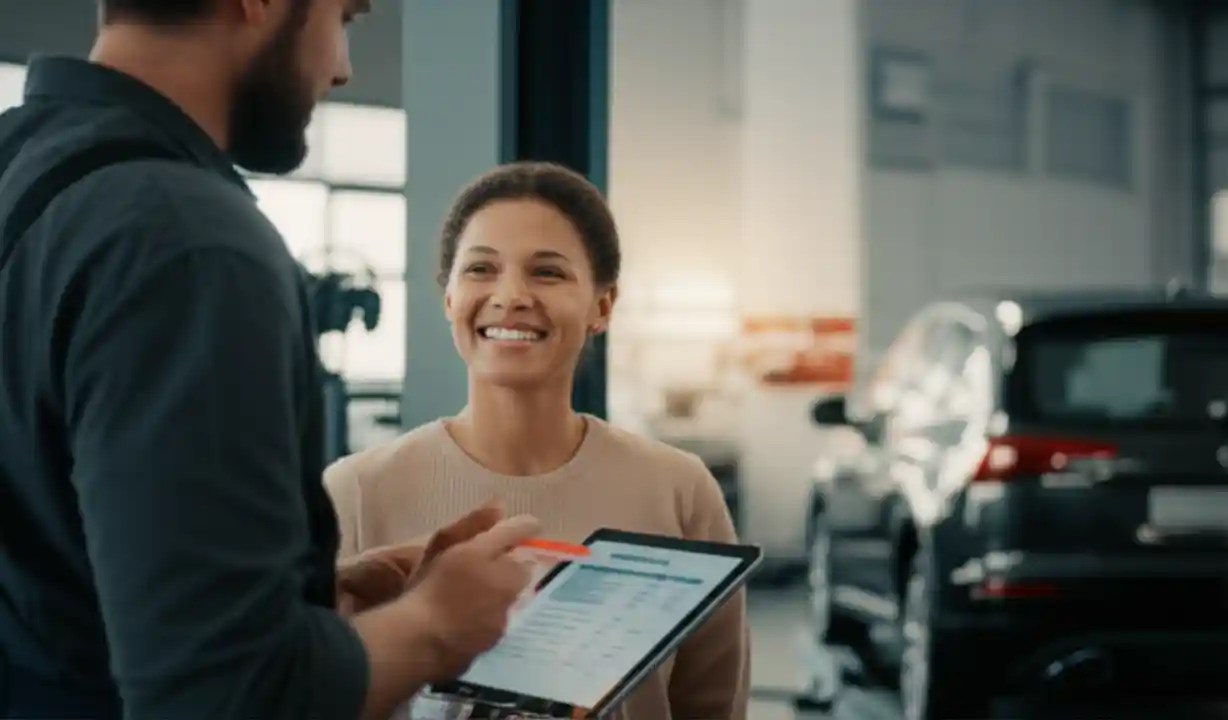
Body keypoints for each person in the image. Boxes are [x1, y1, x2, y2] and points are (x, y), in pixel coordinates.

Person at [0, 1, 538, 718]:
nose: (341, 67)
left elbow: (56, 560)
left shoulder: (21, 162)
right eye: (342, 18)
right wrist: (438, 623)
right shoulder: (190, 243)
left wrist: (304, 607)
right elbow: (227, 698)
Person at [324, 162, 752, 720]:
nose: (511, 295)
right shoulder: (356, 491)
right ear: (449, 298)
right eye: (481, 269)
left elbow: (712, 709)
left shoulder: (679, 489)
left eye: (547, 273)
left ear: (602, 306)